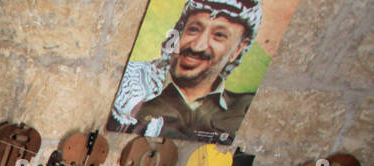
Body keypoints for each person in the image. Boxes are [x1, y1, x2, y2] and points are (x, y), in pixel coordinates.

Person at [109, 0, 264, 143]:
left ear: (238, 49)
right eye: (194, 29)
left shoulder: (243, 109)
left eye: (218, 35)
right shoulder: (134, 87)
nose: (197, 46)